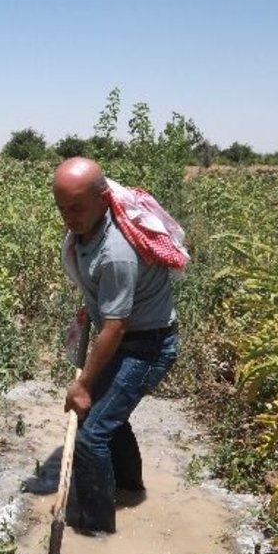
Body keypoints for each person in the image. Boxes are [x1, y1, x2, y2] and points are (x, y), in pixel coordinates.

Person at [52, 157, 180, 534]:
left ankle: (96, 533)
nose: (68, 217)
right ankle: (128, 489)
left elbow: (116, 325)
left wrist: (84, 384)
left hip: (146, 347)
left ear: (103, 199)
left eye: (76, 207)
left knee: (91, 438)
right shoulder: (87, 231)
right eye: (61, 208)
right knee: (107, 419)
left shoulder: (118, 252)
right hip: (125, 337)